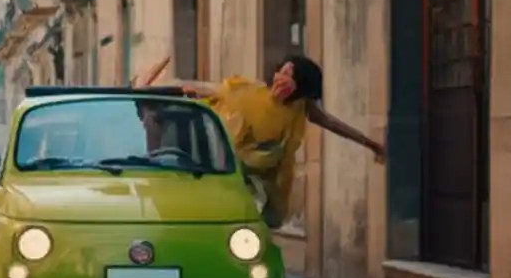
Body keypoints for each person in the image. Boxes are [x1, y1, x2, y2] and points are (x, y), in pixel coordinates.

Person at [135, 55, 385, 228]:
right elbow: (203, 89)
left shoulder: (301, 107)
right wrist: (158, 89)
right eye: (281, 70)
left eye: (289, 74)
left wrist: (369, 143)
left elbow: (332, 123)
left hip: (266, 180)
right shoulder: (248, 92)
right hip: (228, 172)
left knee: (261, 224)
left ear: (300, 85)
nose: (281, 77)